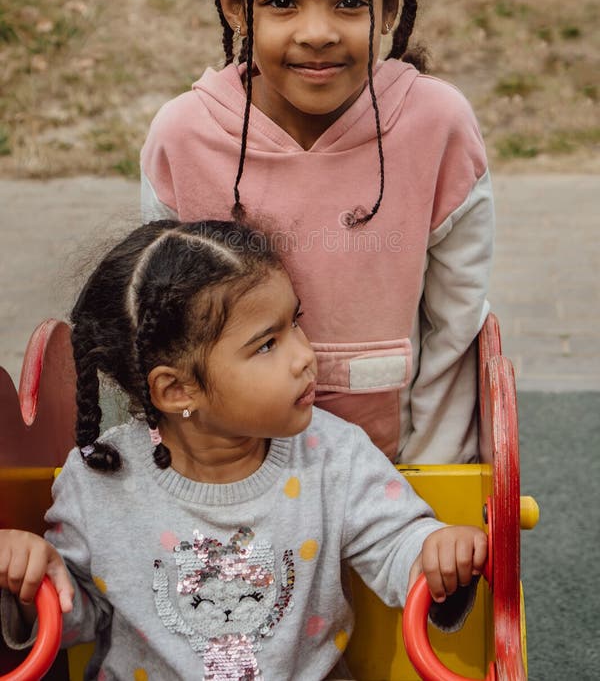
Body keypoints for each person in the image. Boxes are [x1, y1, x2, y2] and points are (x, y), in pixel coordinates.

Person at [0, 220, 487, 680]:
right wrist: (28, 584)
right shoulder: (99, 481)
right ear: (175, 392)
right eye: (267, 345)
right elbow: (70, 618)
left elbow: (394, 546)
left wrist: (434, 552)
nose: (304, 355)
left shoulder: (331, 453)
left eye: (294, 323)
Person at [140, 0, 494, 466]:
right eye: (281, 2)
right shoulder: (184, 137)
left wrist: (429, 487)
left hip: (397, 477)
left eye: (349, 3)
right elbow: (158, 332)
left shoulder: (438, 128)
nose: (317, 32)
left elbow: (456, 328)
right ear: (234, 4)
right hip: (233, 481)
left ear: (388, 7)